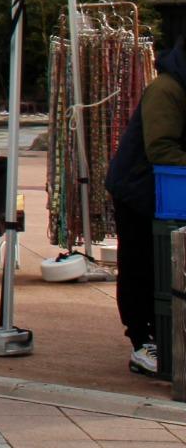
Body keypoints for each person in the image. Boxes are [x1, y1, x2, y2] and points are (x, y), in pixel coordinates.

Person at [105, 38, 186, 378]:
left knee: (166, 267)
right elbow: (161, 148)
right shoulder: (167, 89)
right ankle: (142, 342)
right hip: (140, 190)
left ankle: (160, 336)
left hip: (167, 193)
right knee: (140, 264)